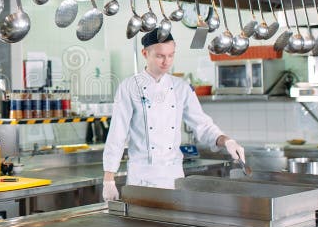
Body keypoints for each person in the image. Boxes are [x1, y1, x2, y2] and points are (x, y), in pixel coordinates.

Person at [102, 31, 246, 199]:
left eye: (171, 55)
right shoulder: (129, 87)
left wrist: (226, 140)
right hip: (142, 179)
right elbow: (117, 134)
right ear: (144, 54)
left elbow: (202, 125)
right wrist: (109, 179)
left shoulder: (181, 87)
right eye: (160, 56)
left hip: (174, 177)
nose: (166, 62)